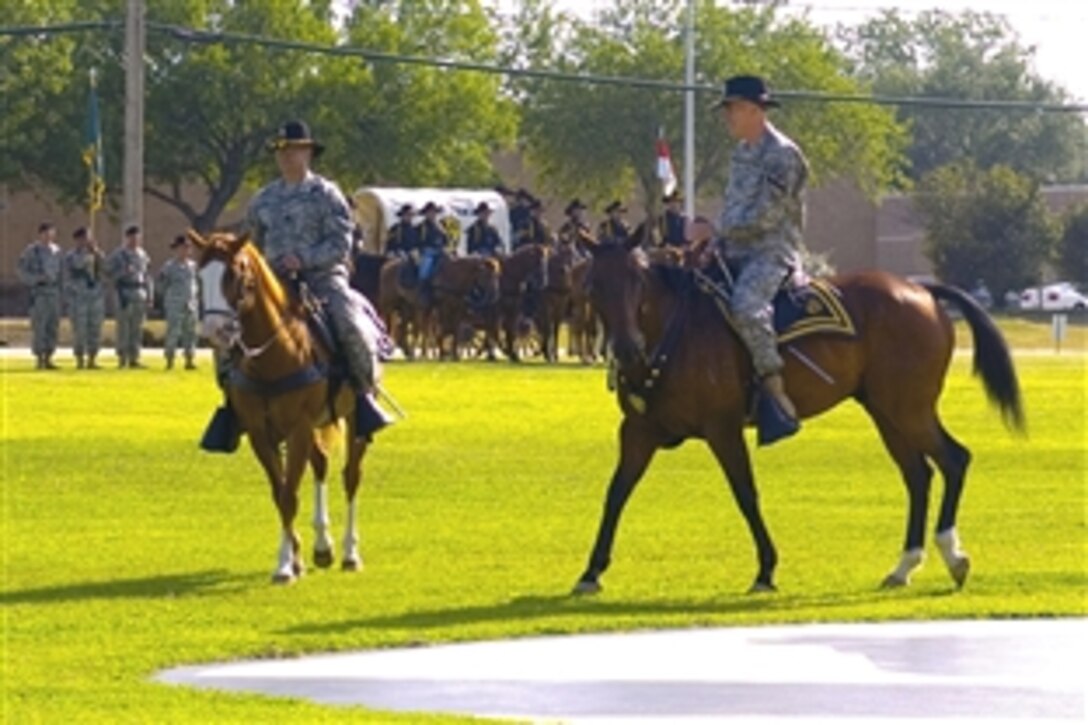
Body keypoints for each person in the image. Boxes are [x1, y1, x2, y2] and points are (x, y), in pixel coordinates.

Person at [204, 120, 389, 449]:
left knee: (349, 325)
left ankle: (363, 400)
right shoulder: (264, 199)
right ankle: (232, 409)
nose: (287, 157)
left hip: (322, 279)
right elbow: (251, 247)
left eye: (294, 150)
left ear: (308, 153)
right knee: (227, 334)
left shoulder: (326, 194)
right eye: (282, 151)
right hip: (273, 285)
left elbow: (341, 242)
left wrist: (303, 258)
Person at [714, 74, 810, 441]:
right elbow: (734, 205)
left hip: (771, 253)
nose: (728, 117)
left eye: (733, 109)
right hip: (734, 250)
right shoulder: (742, 152)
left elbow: (768, 215)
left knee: (746, 307)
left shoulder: (782, 154)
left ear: (755, 110)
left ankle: (775, 392)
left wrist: (719, 231)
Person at [16, 222, 63, 369]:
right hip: (39, 293)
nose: (49, 237)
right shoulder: (32, 251)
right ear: (40, 234)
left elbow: (62, 272)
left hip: (54, 293)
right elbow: (21, 271)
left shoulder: (57, 251)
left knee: (52, 326)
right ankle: (39, 358)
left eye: (51, 234)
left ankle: (49, 356)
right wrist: (36, 279)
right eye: (46, 234)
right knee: (40, 326)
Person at [106, 225, 153, 368]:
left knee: (137, 327)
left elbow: (147, 276)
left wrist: (150, 295)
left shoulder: (142, 255)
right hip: (124, 293)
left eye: (137, 238)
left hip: (139, 292)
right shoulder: (118, 255)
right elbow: (107, 271)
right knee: (123, 327)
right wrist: (122, 272)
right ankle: (122, 357)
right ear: (126, 238)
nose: (134, 241)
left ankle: (134, 357)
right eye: (132, 237)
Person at [64, 227, 106, 369]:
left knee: (95, 328)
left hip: (94, 296)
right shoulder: (71, 256)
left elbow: (106, 269)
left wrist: (97, 253)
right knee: (80, 330)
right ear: (77, 240)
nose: (85, 242)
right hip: (78, 298)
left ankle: (92, 359)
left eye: (87, 238)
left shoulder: (96, 254)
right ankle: (80, 358)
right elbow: (76, 267)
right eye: (83, 239)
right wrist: (86, 256)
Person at [157, 235, 199, 370]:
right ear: (176, 249)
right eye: (183, 248)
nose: (186, 250)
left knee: (191, 333)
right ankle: (170, 359)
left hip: (190, 304)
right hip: (175, 304)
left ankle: (189, 359)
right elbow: (161, 286)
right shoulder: (169, 267)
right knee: (173, 332)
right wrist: (168, 300)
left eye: (188, 248)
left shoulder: (193, 266)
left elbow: (196, 283)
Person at [416, 201, 449, 304]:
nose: (432, 214)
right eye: (430, 212)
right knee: (426, 267)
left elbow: (446, 240)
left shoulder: (440, 227)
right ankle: (422, 290)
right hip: (427, 252)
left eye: (434, 212)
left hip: (440, 251)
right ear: (425, 214)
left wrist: (446, 249)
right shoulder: (421, 227)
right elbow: (419, 242)